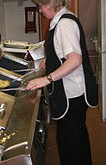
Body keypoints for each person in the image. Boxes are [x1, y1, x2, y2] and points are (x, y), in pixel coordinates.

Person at [26, 0, 98, 165]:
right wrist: (49, 59)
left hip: (72, 94)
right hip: (72, 93)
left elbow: (74, 60)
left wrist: (47, 78)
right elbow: (62, 50)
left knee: (74, 144)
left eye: (41, 6)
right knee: (69, 139)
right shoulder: (63, 18)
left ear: (50, 5)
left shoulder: (64, 24)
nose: (39, 10)